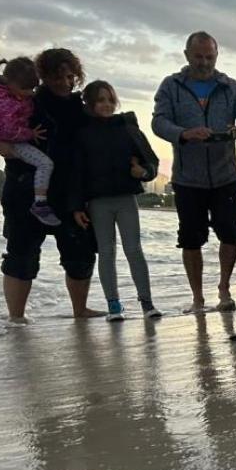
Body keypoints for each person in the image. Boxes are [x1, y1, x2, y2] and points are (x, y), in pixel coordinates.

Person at [151, 31, 236, 313]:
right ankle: (197, 297)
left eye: (209, 57)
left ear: (216, 55)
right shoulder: (170, 86)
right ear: (186, 55)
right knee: (190, 238)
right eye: (198, 57)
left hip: (227, 175)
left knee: (232, 233)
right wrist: (184, 134)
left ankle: (224, 288)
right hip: (187, 179)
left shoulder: (232, 87)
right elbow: (158, 122)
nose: (204, 62)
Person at [0, 48, 100, 322]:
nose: (64, 82)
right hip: (25, 190)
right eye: (56, 77)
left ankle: (80, 311)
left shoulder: (82, 107)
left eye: (70, 76)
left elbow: (108, 131)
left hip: (71, 194)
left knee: (81, 255)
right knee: (21, 255)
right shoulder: (28, 101)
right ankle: (16, 318)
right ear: (43, 76)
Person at [69, 80, 162, 321]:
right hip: (98, 202)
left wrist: (143, 173)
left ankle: (147, 304)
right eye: (101, 100)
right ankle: (113, 306)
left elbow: (152, 161)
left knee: (134, 250)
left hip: (126, 198)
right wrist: (77, 206)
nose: (107, 105)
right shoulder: (81, 133)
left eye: (110, 99)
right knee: (106, 253)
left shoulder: (127, 127)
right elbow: (76, 172)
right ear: (89, 103)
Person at [0, 58, 57, 226]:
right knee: (45, 164)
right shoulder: (5, 104)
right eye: (26, 89)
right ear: (10, 82)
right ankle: (40, 203)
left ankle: (40, 202)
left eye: (33, 88)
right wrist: (29, 133)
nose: (31, 93)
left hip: (11, 141)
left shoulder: (5, 95)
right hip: (14, 143)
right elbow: (6, 130)